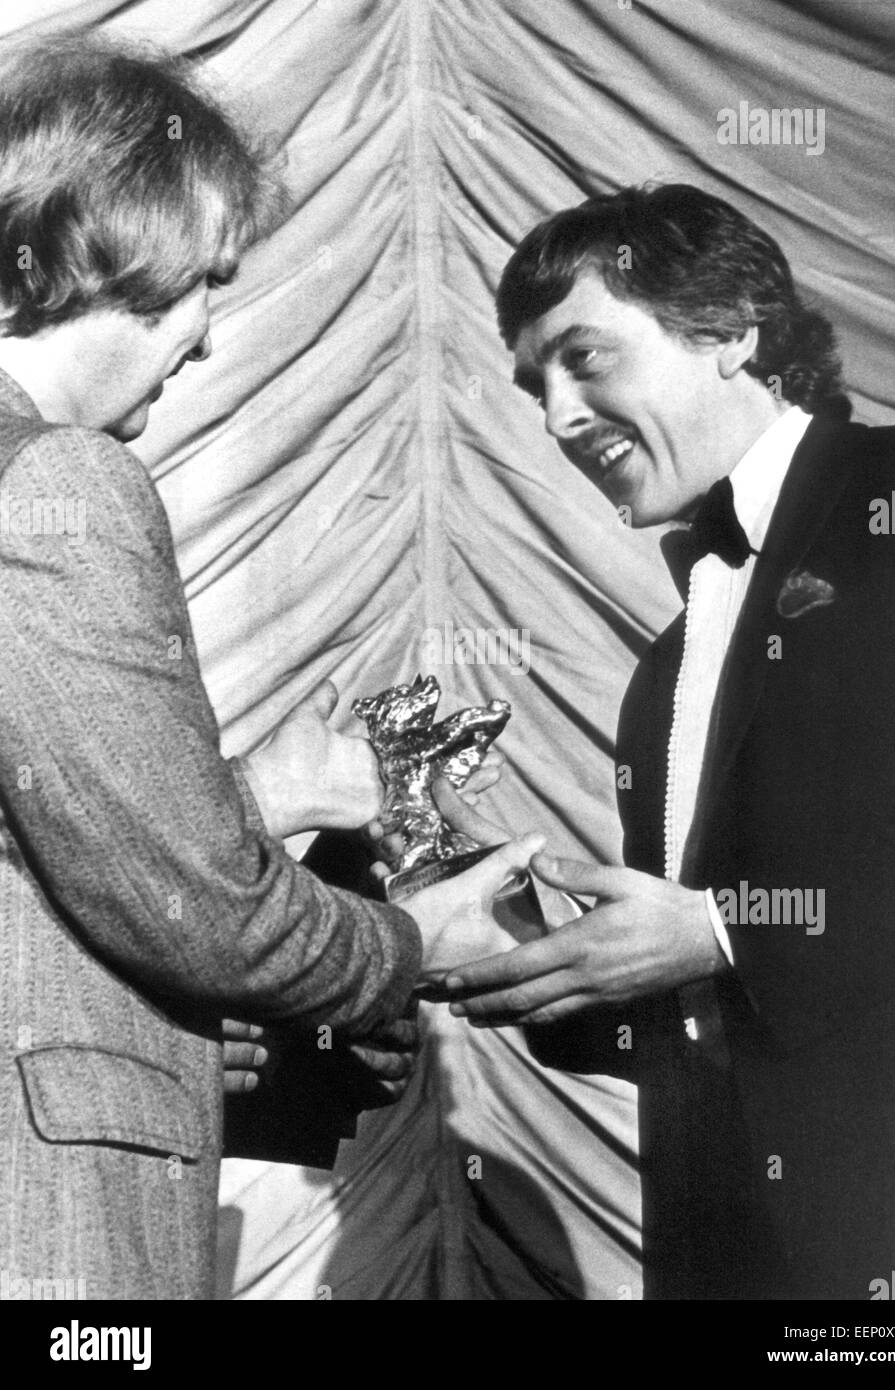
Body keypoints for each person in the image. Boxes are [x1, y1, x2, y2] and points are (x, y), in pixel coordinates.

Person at [0, 33, 538, 1300]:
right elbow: (197, 909)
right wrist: (414, 940)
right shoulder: (60, 483)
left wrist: (257, 795)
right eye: (200, 284)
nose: (202, 342)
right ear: (103, 251)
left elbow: (42, 852)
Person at [442, 183, 895, 1299]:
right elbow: (685, 1022)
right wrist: (545, 961)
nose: (559, 418)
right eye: (537, 386)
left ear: (728, 332)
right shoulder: (664, 669)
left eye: (585, 359)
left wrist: (724, 932)